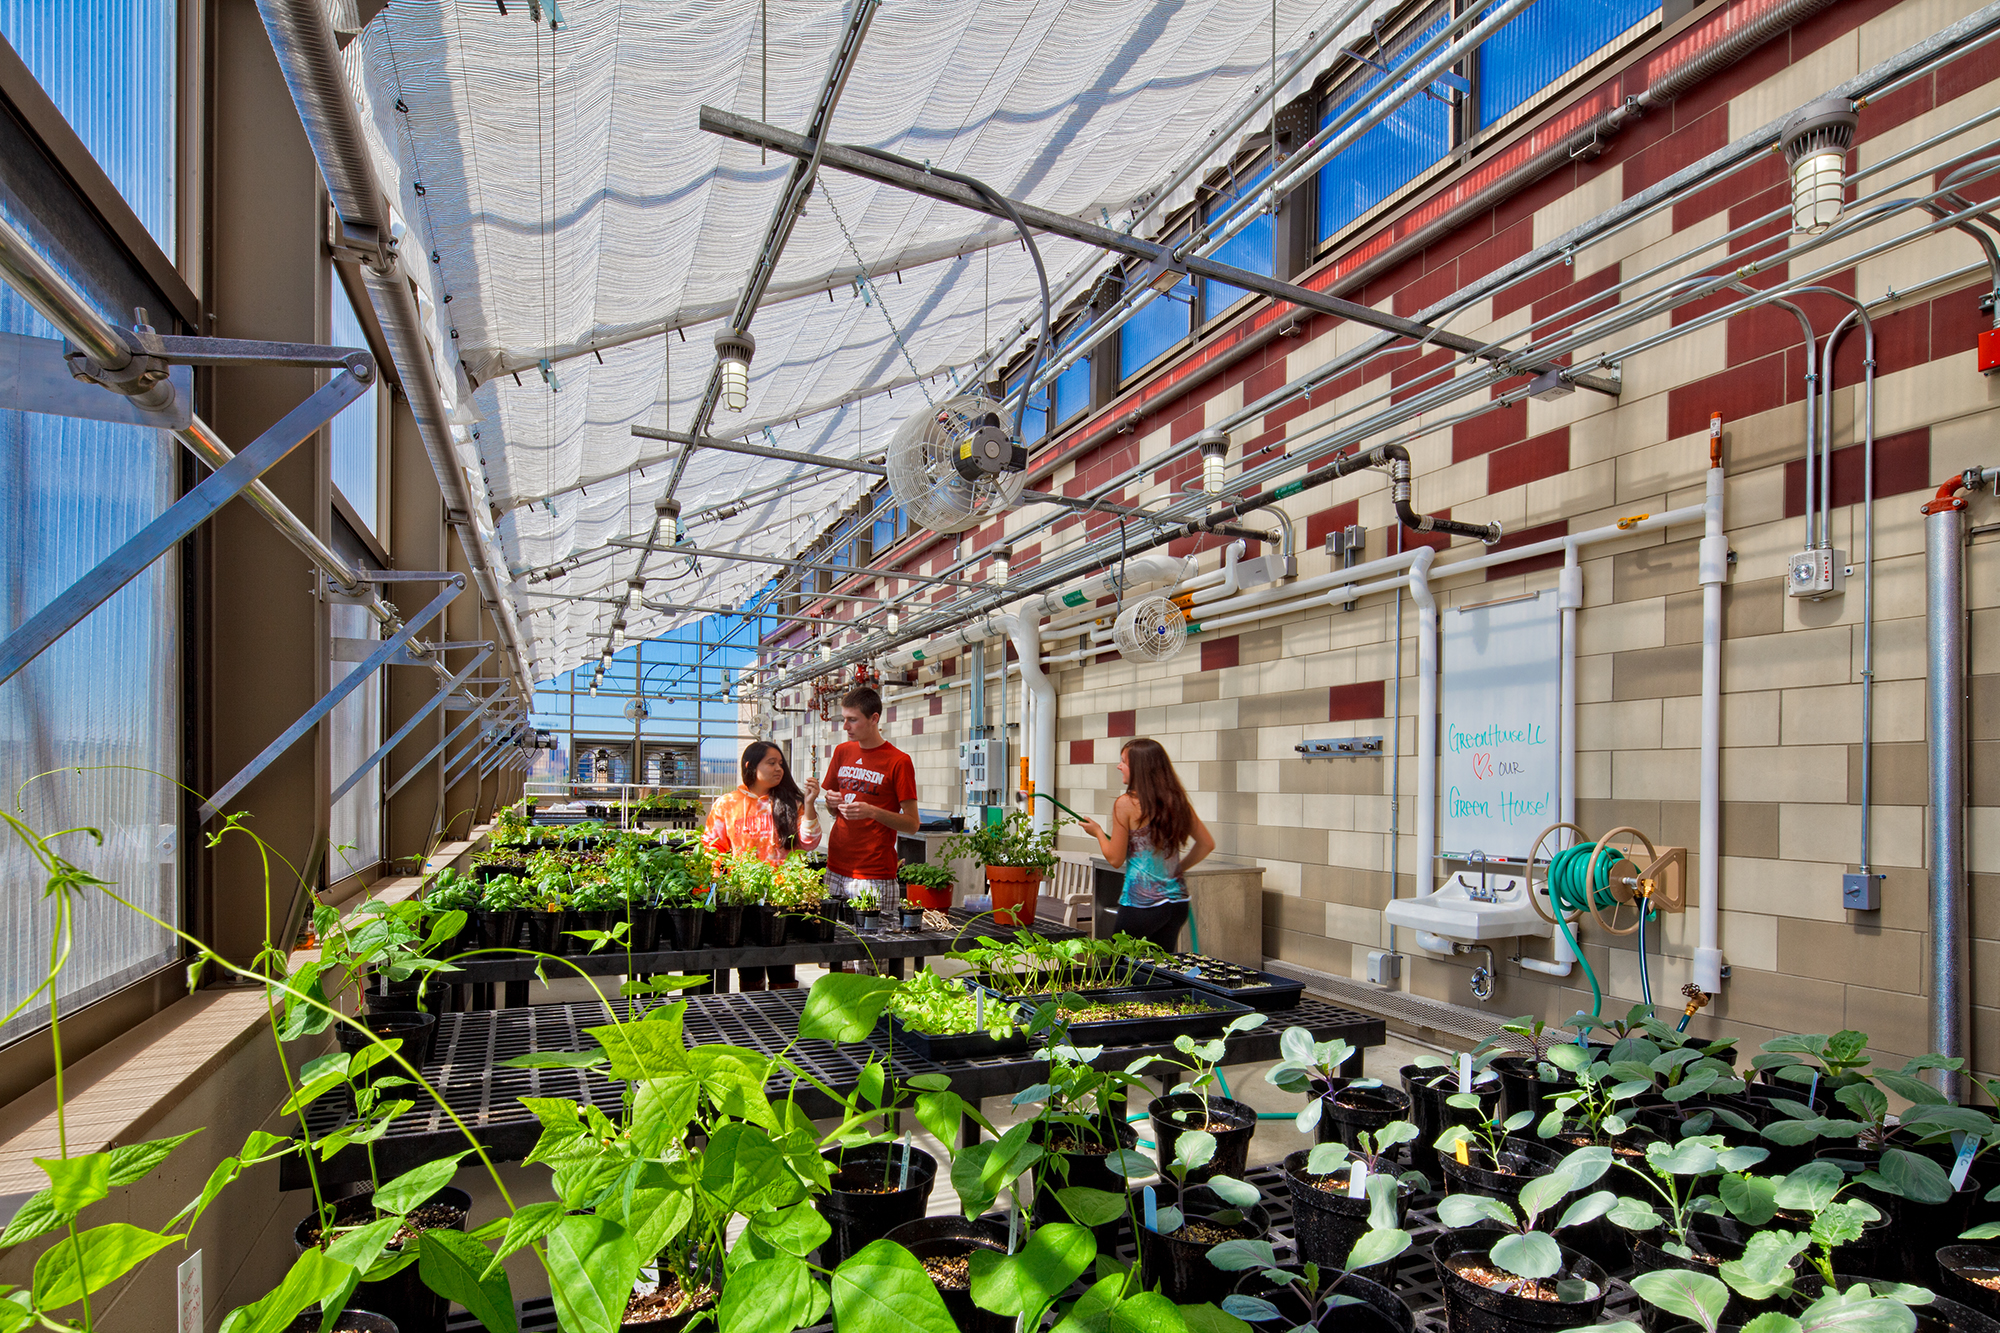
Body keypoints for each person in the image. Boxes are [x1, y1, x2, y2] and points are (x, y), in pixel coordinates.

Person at [1077, 737, 1216, 953]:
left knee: (1121, 966)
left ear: (1139, 768)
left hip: (1141, 904)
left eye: (1124, 762)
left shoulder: (1126, 804)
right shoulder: (1177, 801)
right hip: (1176, 903)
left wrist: (1097, 832)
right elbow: (1206, 844)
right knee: (1158, 967)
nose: (1119, 766)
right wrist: (1177, 870)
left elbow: (1115, 859)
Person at [702, 740, 820, 991]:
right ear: (750, 766)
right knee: (749, 966)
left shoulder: (792, 802)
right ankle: (753, 1009)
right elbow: (712, 848)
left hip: (782, 897)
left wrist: (809, 804)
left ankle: (783, 1010)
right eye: (771, 763)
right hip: (743, 898)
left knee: (782, 965)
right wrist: (716, 886)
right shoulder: (727, 804)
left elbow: (809, 842)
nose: (779, 769)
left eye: (781, 764)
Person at [817, 686, 919, 966]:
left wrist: (872, 811)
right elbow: (834, 810)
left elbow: (912, 823)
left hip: (873, 874)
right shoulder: (842, 752)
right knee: (835, 958)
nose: (846, 727)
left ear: (874, 719)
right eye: (844, 719)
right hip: (836, 868)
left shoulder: (898, 761)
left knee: (871, 963)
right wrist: (832, 803)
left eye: (853, 720)